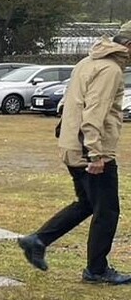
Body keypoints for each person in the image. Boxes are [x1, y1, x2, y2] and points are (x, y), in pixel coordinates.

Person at [17, 25, 131, 285]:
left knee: (87, 204)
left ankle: (38, 240)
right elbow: (94, 113)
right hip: (89, 148)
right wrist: (96, 154)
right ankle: (97, 270)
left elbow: (73, 103)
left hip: (72, 143)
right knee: (107, 211)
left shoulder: (88, 61)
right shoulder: (111, 70)